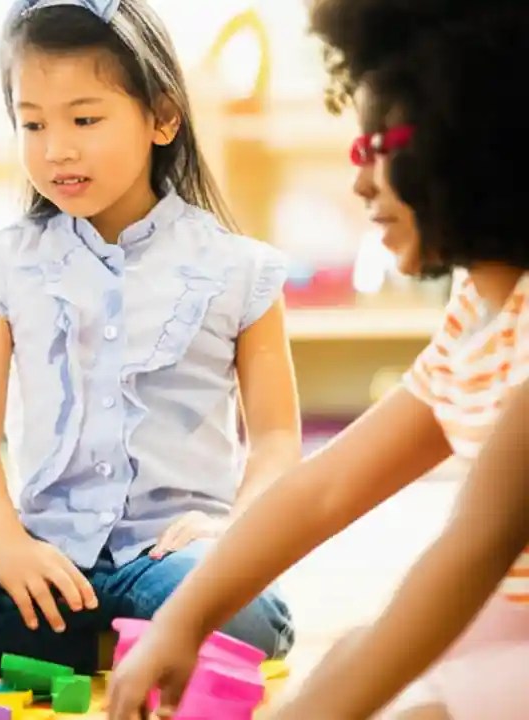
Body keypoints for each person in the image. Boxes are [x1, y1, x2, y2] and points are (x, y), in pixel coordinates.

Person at [106, 1, 529, 717]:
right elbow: (323, 490)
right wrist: (180, 620)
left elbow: (471, 546)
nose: (360, 182)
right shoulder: (478, 314)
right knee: (354, 655)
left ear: (466, 141)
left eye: (377, 149)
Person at [0, 0, 299, 691]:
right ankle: (121, 644)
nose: (55, 148)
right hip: (45, 548)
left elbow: (276, 439)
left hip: (170, 554)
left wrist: (232, 533)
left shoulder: (240, 270)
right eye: (32, 123)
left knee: (244, 615)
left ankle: (93, 641)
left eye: (84, 119)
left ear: (162, 116)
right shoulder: (3, 267)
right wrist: (7, 550)